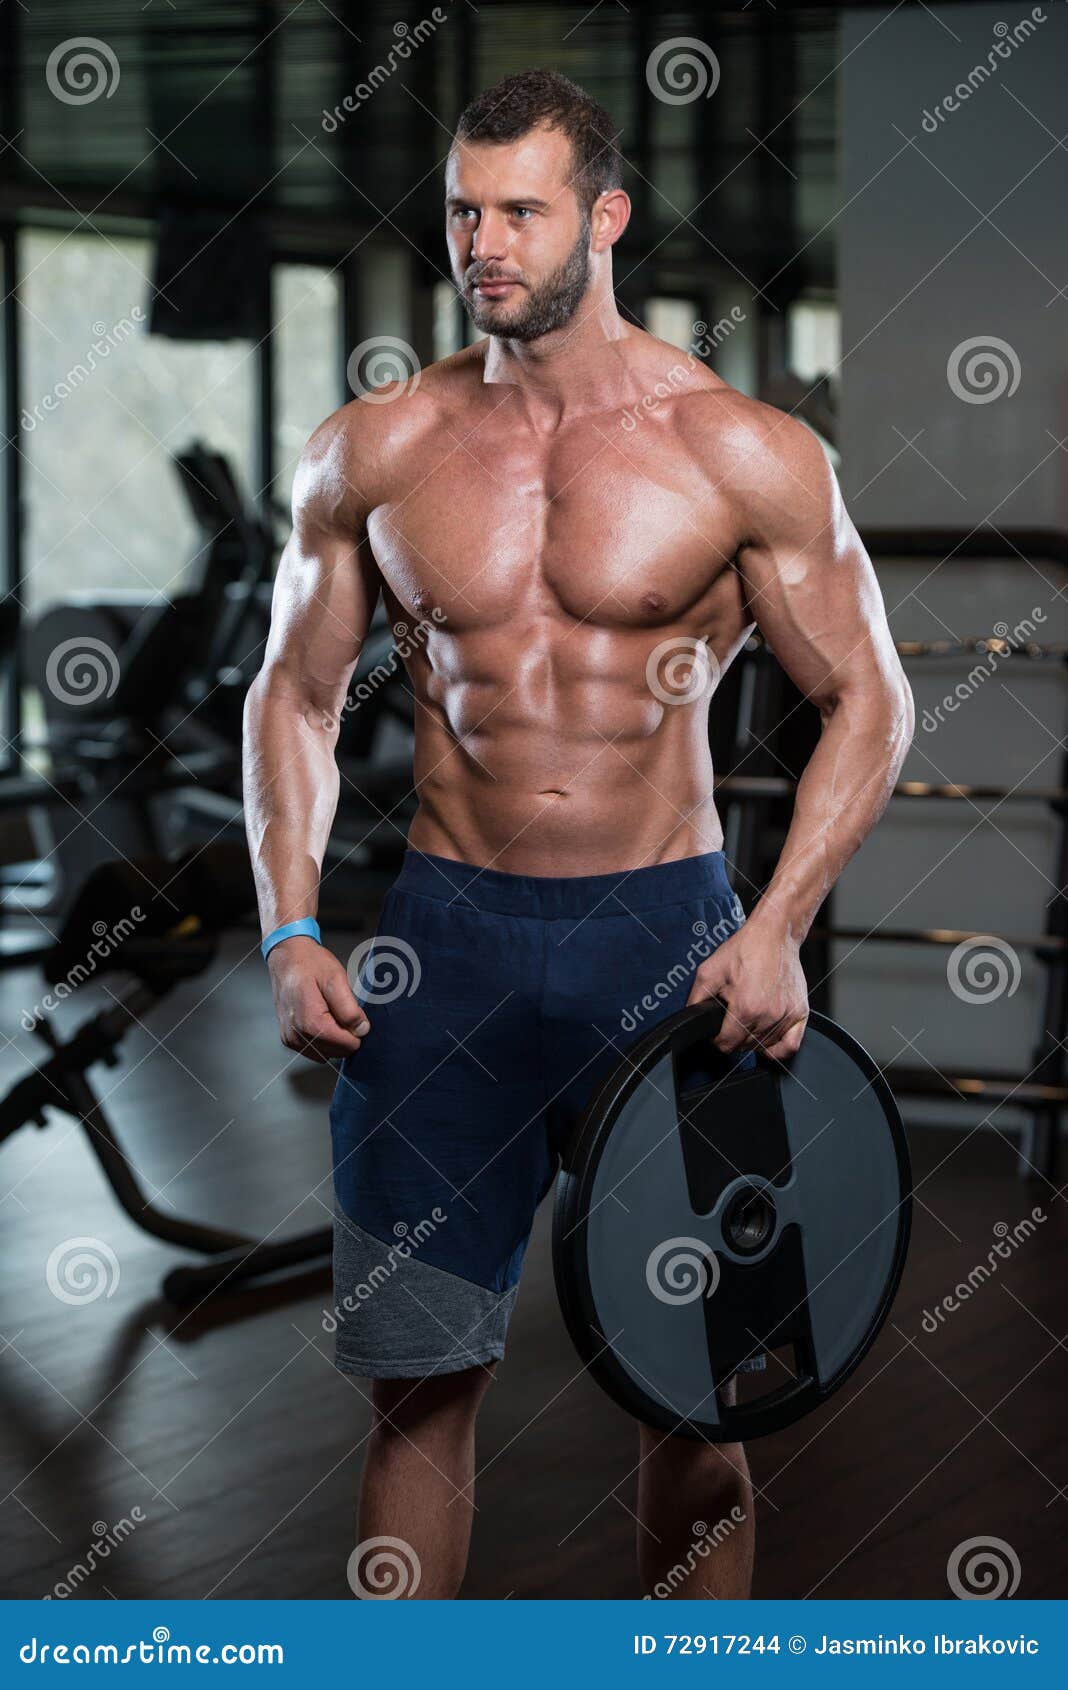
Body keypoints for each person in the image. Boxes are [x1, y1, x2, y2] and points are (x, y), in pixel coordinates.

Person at [243, 67, 913, 1600]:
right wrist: (287, 924)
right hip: (444, 959)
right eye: (464, 210)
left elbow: (869, 701)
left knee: (700, 1393)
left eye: (521, 211)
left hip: (667, 953)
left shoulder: (740, 449)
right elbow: (295, 695)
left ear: (605, 218)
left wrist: (779, 923)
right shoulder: (377, 448)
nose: (483, 242)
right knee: (415, 1385)